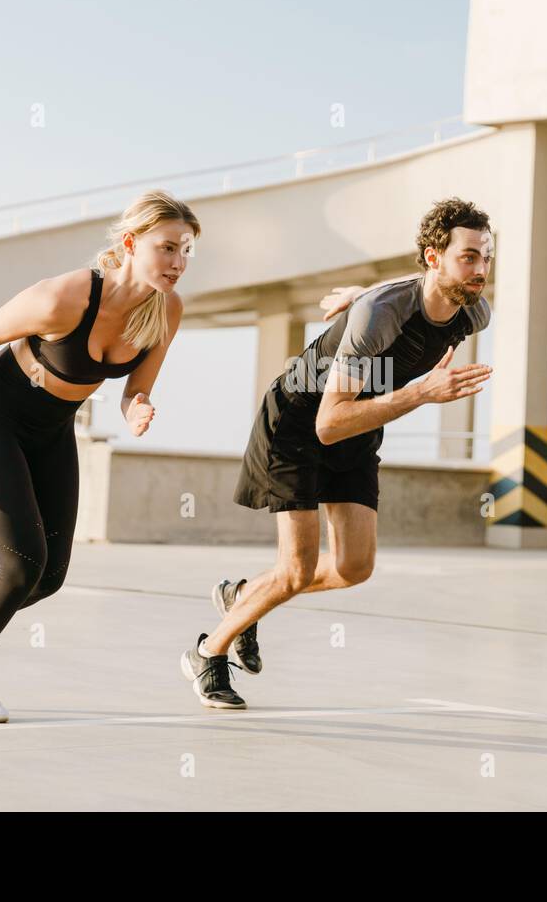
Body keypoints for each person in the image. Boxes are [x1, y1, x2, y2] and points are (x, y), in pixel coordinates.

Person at [180, 196, 494, 709]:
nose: (480, 269)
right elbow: (328, 423)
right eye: (469, 256)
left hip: (362, 424)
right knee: (297, 570)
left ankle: (243, 597)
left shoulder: (474, 313)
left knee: (353, 567)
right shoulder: (380, 314)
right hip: (299, 422)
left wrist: (365, 293)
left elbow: (408, 297)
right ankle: (208, 652)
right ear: (433, 257)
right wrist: (418, 391)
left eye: (485, 256)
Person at [0, 190, 197, 722]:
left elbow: (132, 390)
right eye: (167, 248)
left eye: (186, 250)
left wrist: (137, 407)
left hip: (53, 430)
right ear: (130, 243)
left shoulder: (167, 309)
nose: (178, 262)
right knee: (22, 564)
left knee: (49, 577)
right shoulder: (64, 297)